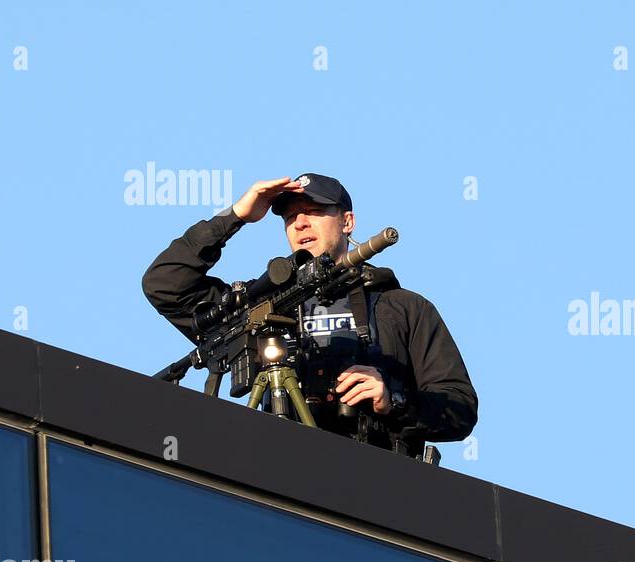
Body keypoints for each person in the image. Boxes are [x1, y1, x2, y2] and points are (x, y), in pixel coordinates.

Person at [141, 174, 477, 458]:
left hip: (379, 483)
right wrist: (237, 216)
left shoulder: (403, 307)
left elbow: (459, 409)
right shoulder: (260, 310)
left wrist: (393, 399)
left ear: (348, 222)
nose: (300, 223)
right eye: (290, 217)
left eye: (314, 211)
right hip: (280, 474)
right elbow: (165, 284)